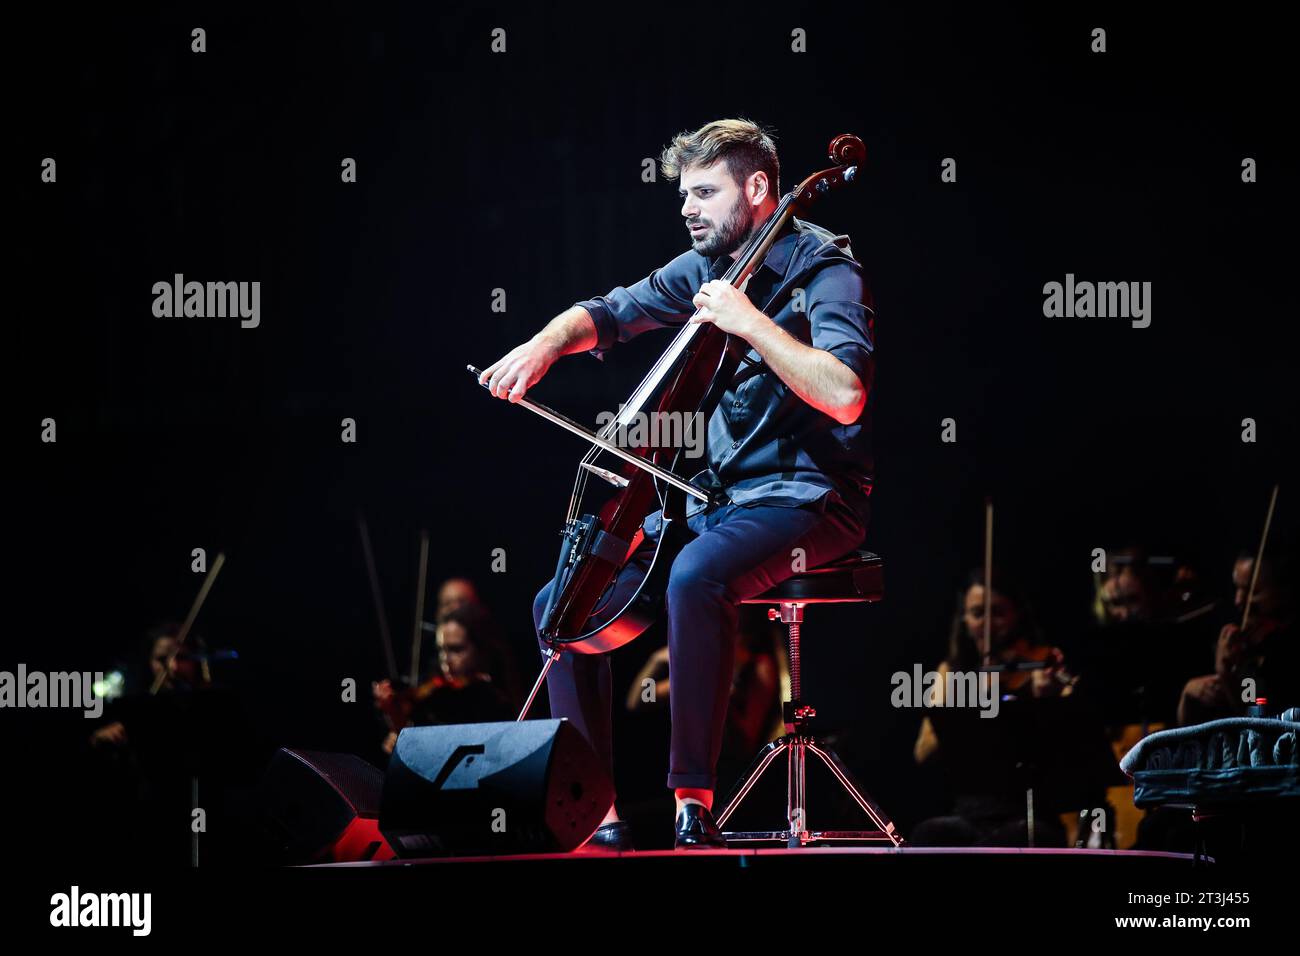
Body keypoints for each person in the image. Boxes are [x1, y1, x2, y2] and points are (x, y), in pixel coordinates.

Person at [479, 118, 875, 849]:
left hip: (809, 499)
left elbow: (846, 393)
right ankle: (597, 815)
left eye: (703, 191)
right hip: (719, 504)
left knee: (693, 576)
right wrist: (540, 347)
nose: (686, 208)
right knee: (562, 599)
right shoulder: (709, 266)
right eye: (682, 194)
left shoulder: (827, 271)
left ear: (758, 190)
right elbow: (609, 312)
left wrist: (750, 321)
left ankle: (692, 801)